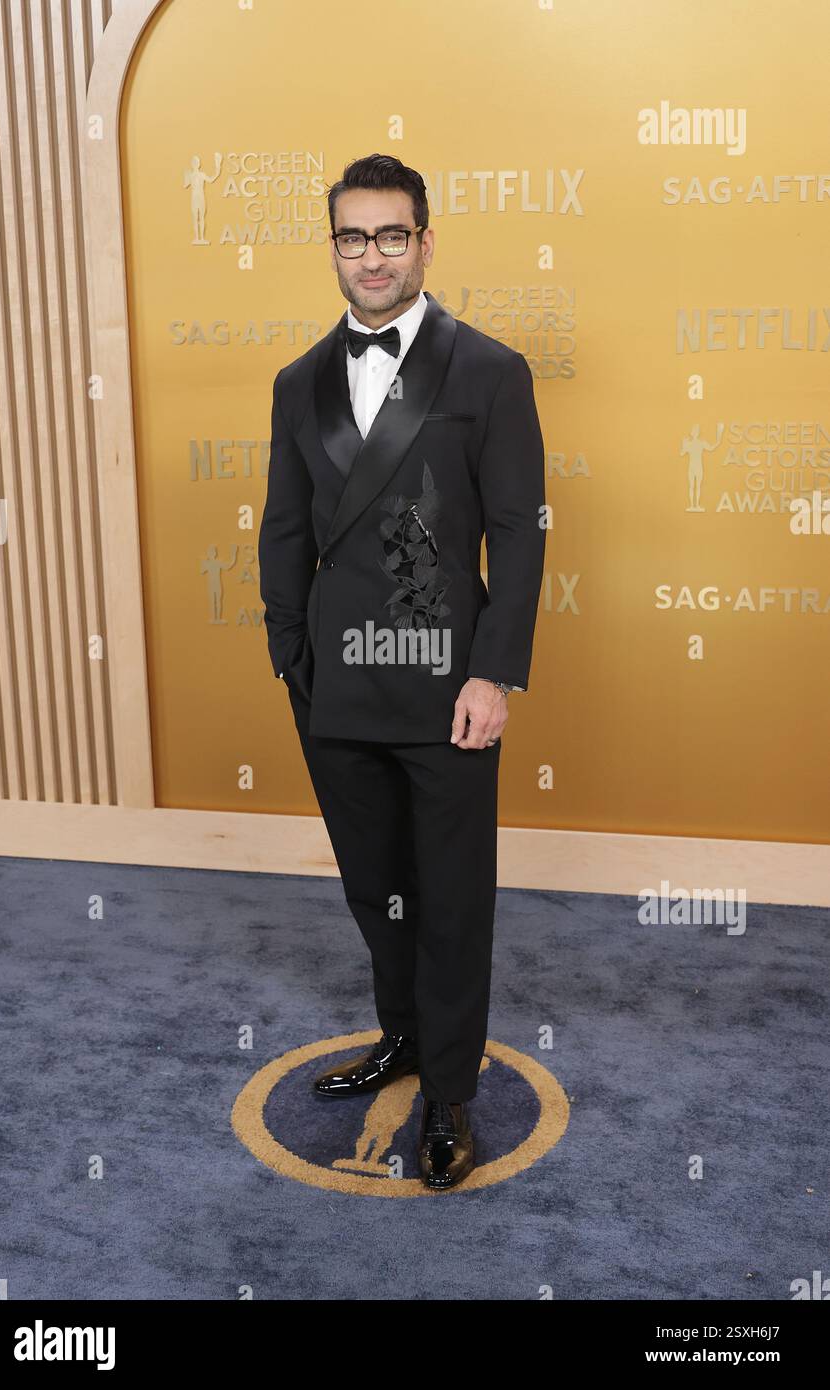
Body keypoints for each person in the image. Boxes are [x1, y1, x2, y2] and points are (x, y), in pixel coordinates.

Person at [258, 153, 546, 1190]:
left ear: (423, 242)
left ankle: (450, 1088)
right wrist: (291, 654)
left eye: (390, 235)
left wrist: (492, 675)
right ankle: (403, 1034)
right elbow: (283, 530)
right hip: (334, 686)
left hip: (445, 684)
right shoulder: (297, 381)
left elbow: (516, 535)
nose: (370, 255)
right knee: (373, 886)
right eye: (351, 236)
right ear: (332, 246)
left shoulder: (488, 370)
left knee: (451, 895)